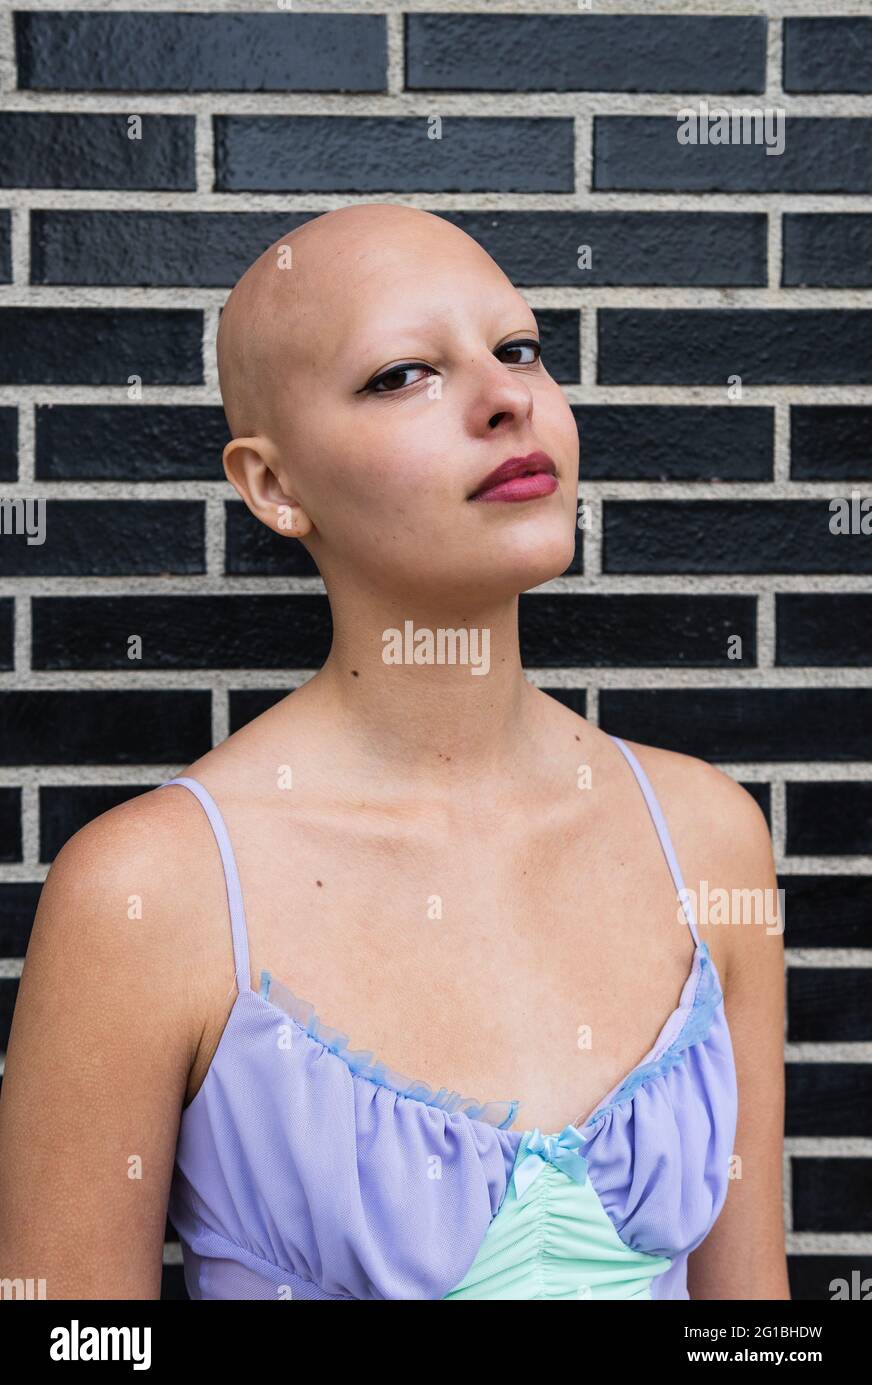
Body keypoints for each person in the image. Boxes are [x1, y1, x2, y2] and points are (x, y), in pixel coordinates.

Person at [0, 203, 789, 1300]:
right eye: (403, 373)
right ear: (272, 486)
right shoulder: (148, 893)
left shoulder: (708, 837)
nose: (507, 396)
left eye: (518, 349)